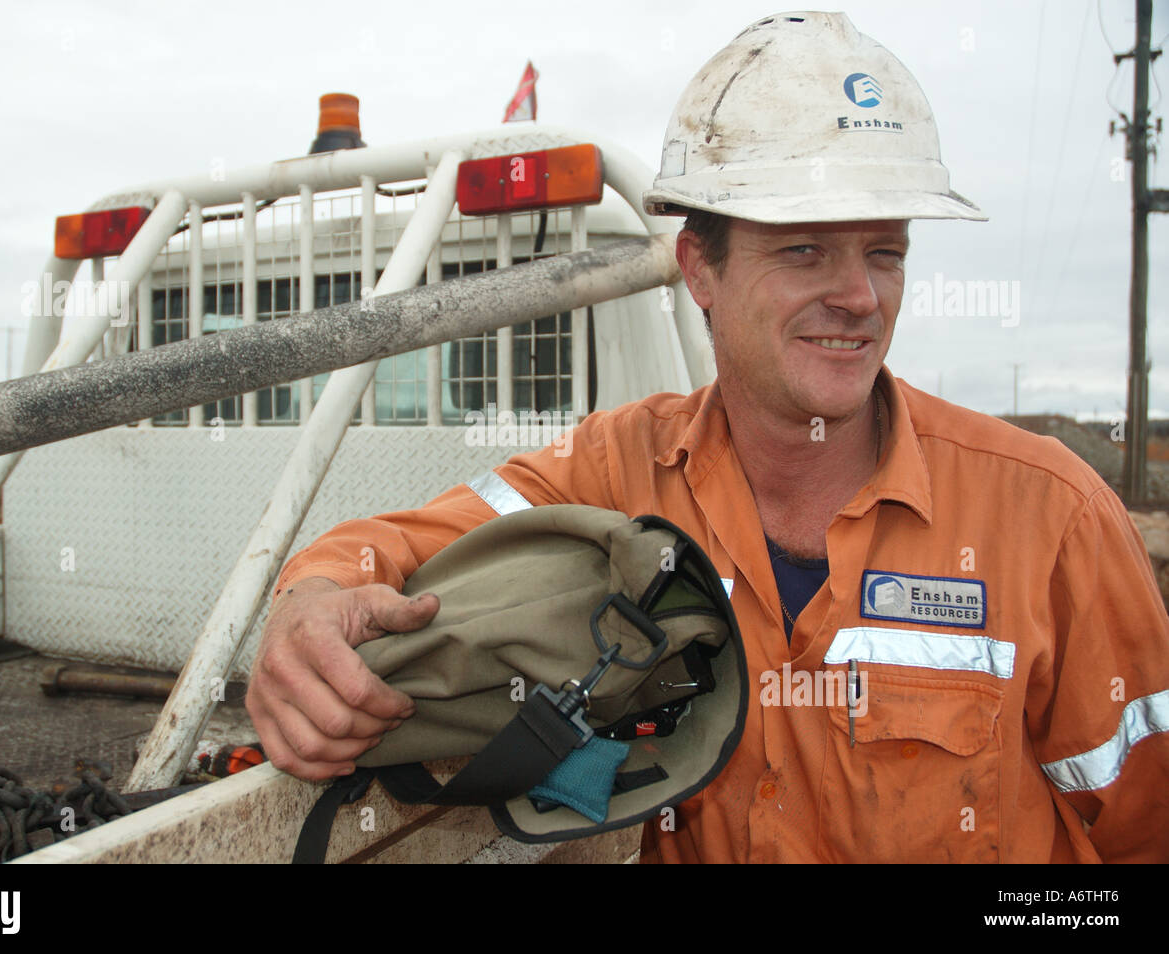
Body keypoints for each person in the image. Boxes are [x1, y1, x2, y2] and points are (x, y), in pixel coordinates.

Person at [247, 11, 1169, 862]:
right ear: (701, 269)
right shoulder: (616, 472)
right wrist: (311, 602)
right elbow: (397, 545)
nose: (859, 295)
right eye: (805, 249)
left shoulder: (1052, 519)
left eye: (884, 251)